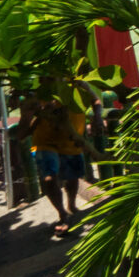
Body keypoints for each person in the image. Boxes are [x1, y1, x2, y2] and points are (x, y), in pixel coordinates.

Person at [23, 91, 94, 233]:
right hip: (41, 143)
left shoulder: (77, 84)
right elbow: (23, 127)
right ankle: (62, 214)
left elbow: (95, 100)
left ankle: (71, 205)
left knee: (73, 178)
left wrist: (97, 117)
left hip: (71, 140)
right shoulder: (37, 91)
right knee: (48, 179)